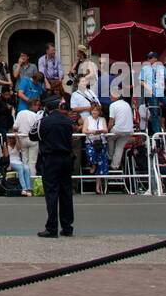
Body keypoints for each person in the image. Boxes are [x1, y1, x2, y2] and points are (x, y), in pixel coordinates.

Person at [31, 97, 75, 238]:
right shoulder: (68, 121)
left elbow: (32, 135)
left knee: (51, 193)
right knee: (66, 193)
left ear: (47, 109)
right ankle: (67, 226)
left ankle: (52, 227)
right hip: (66, 158)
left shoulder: (44, 122)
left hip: (51, 158)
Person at [81, 100, 109, 194]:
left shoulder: (102, 119)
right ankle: (92, 164)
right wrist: (92, 132)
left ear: (99, 111)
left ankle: (98, 187)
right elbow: (84, 130)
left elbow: (106, 130)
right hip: (91, 142)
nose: (94, 112)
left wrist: (99, 131)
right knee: (91, 155)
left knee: (101, 165)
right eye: (93, 110)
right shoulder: (87, 119)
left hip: (101, 143)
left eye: (96, 110)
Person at [107, 90, 136, 172]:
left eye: (111, 95)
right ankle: (114, 166)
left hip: (118, 129)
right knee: (120, 146)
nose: (110, 97)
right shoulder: (127, 104)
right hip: (129, 130)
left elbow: (111, 121)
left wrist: (107, 130)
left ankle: (110, 157)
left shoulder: (113, 105)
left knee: (109, 138)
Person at [139, 51, 166, 135]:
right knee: (154, 112)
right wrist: (148, 88)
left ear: (155, 58)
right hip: (151, 93)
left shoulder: (161, 67)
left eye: (150, 58)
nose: (148, 59)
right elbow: (141, 81)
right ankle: (157, 133)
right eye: (148, 58)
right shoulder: (145, 68)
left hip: (161, 92)